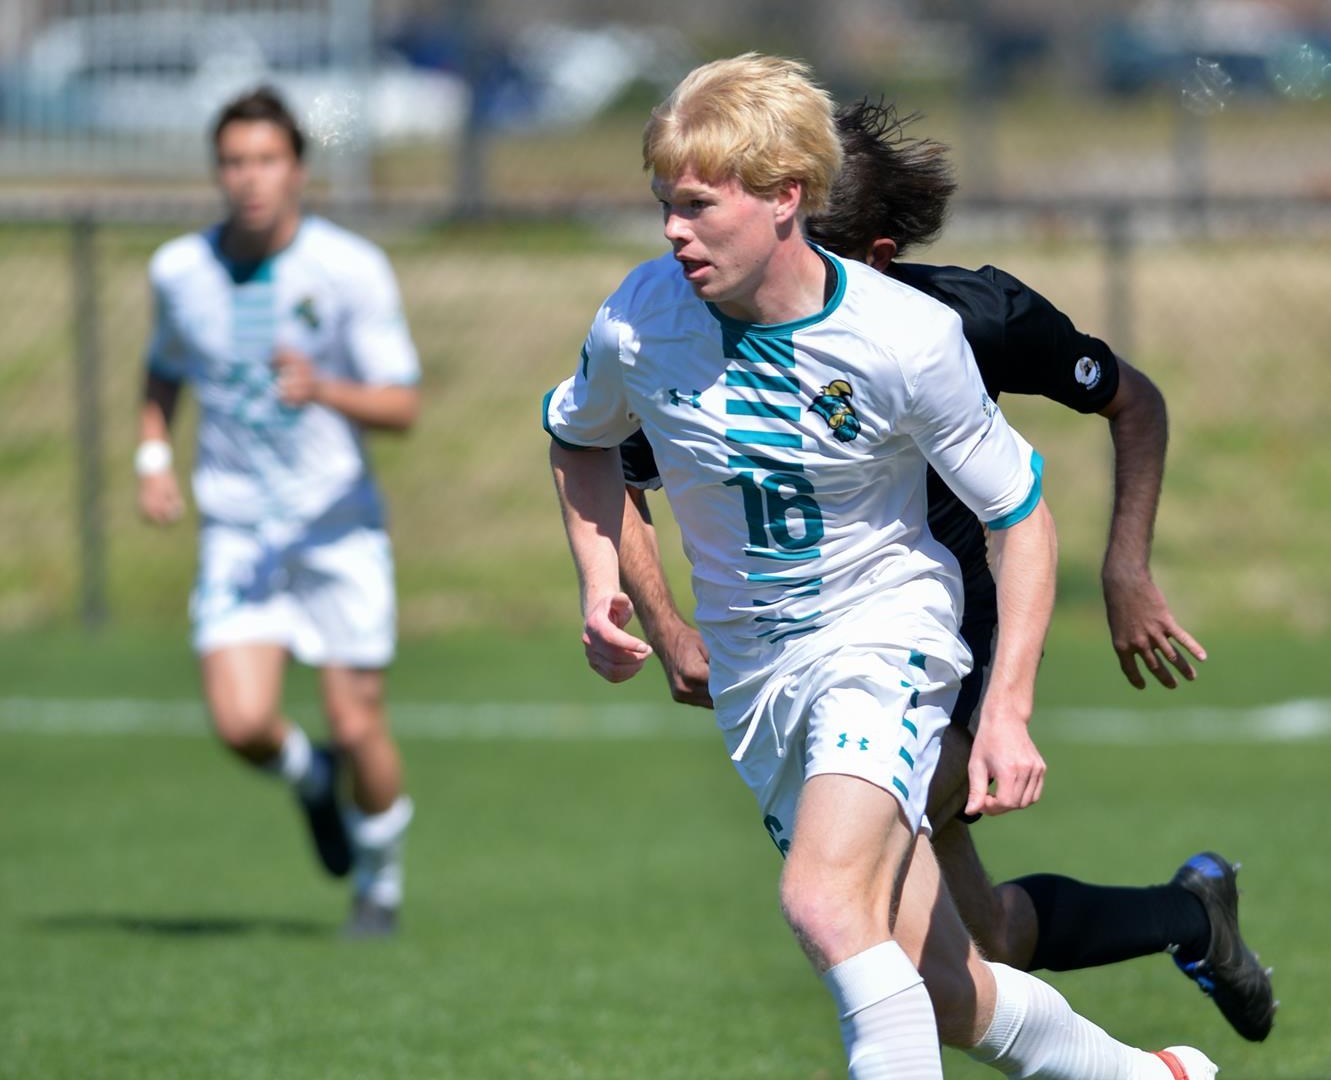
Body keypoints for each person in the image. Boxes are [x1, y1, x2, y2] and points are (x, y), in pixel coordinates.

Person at [545, 53, 1216, 1079]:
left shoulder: (904, 337)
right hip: (755, 679)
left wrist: (1004, 709)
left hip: (881, 637)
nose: (672, 232)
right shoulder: (640, 319)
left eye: (695, 206)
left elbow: (1020, 515)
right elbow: (582, 440)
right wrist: (601, 582)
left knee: (820, 902)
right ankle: (1153, 1078)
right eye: (661, 207)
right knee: (939, 983)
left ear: (784, 198)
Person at [135, 87, 419, 938]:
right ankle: (308, 778)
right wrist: (153, 459)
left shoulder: (349, 268)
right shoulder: (179, 270)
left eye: (265, 160)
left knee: (356, 716)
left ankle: (380, 883)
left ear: (296, 168)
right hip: (238, 529)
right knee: (241, 722)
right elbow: (162, 371)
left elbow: (401, 406)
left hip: (336, 527)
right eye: (233, 161)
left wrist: (323, 387)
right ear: (216, 171)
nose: (249, 178)